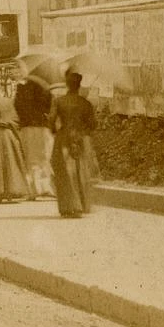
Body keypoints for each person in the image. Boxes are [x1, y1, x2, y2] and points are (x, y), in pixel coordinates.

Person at [50, 70, 101, 218]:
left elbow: (51, 120)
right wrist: (83, 131)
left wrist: (55, 131)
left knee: (65, 172)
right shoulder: (86, 103)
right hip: (81, 138)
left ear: (67, 85)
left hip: (63, 138)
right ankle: (82, 205)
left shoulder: (58, 101)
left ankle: (68, 206)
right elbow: (93, 124)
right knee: (81, 171)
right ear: (79, 85)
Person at [13, 75, 55, 199]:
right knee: (44, 157)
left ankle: (32, 189)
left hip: (26, 127)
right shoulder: (46, 89)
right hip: (43, 127)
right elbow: (50, 107)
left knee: (29, 158)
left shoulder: (21, 89)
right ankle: (45, 187)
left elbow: (17, 107)